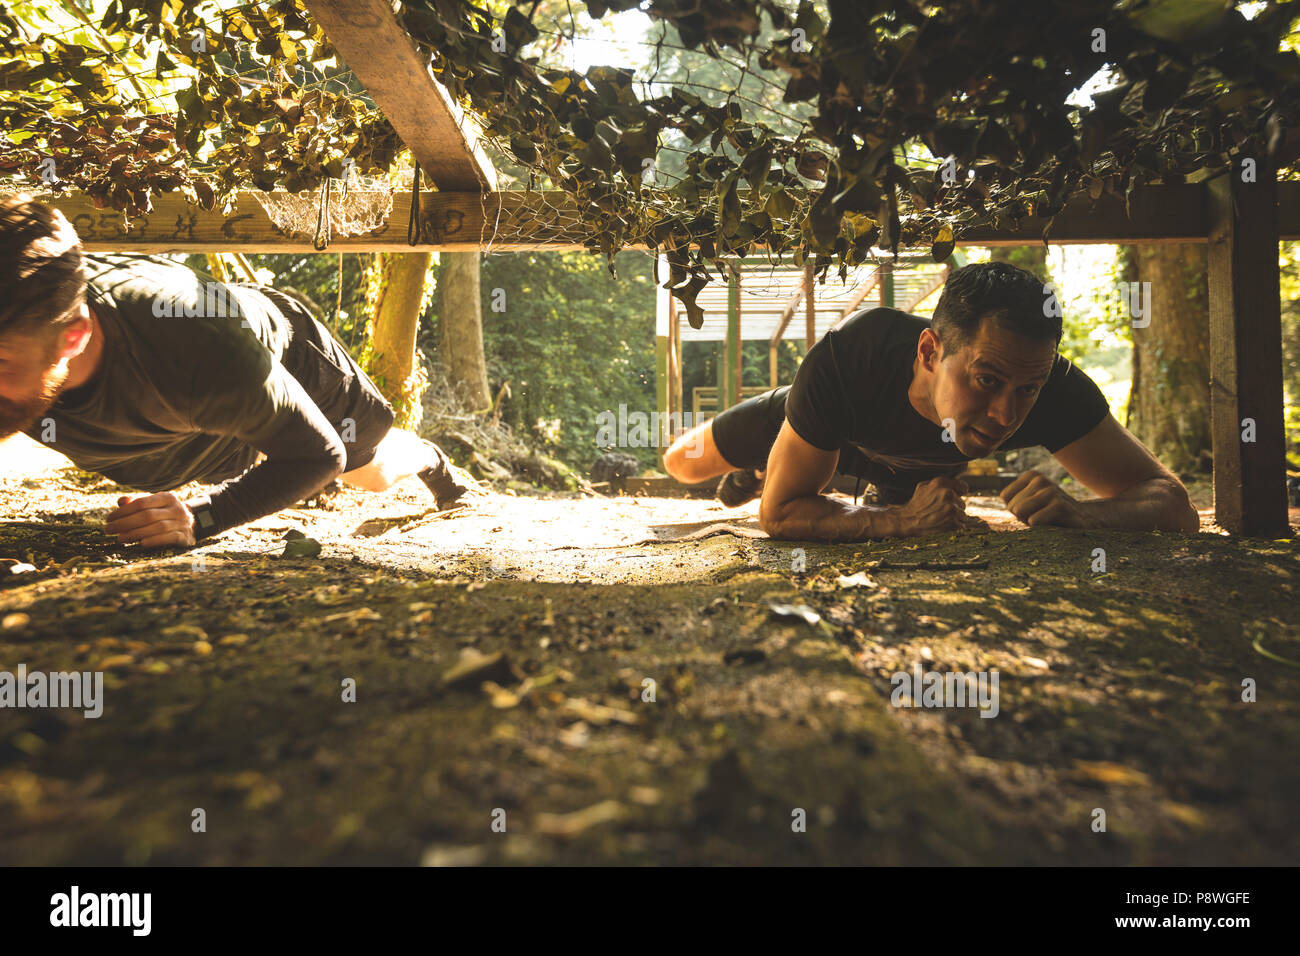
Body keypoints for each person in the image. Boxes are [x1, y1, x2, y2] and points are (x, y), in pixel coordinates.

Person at [0, 195, 468, 549]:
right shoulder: (28, 325)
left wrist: (201, 518)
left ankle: (432, 461)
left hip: (284, 365)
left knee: (370, 472)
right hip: (193, 433)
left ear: (74, 337)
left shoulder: (195, 346)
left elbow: (318, 454)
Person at [663, 260, 1199, 541]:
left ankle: (817, 475)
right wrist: (898, 524)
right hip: (831, 433)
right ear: (929, 352)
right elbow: (776, 517)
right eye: (987, 381)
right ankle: (771, 460)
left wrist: (1086, 516)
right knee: (682, 466)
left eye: (1027, 390)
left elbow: (1173, 503)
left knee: (905, 498)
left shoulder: (1048, 383)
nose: (1006, 416)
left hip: (909, 477)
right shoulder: (848, 358)